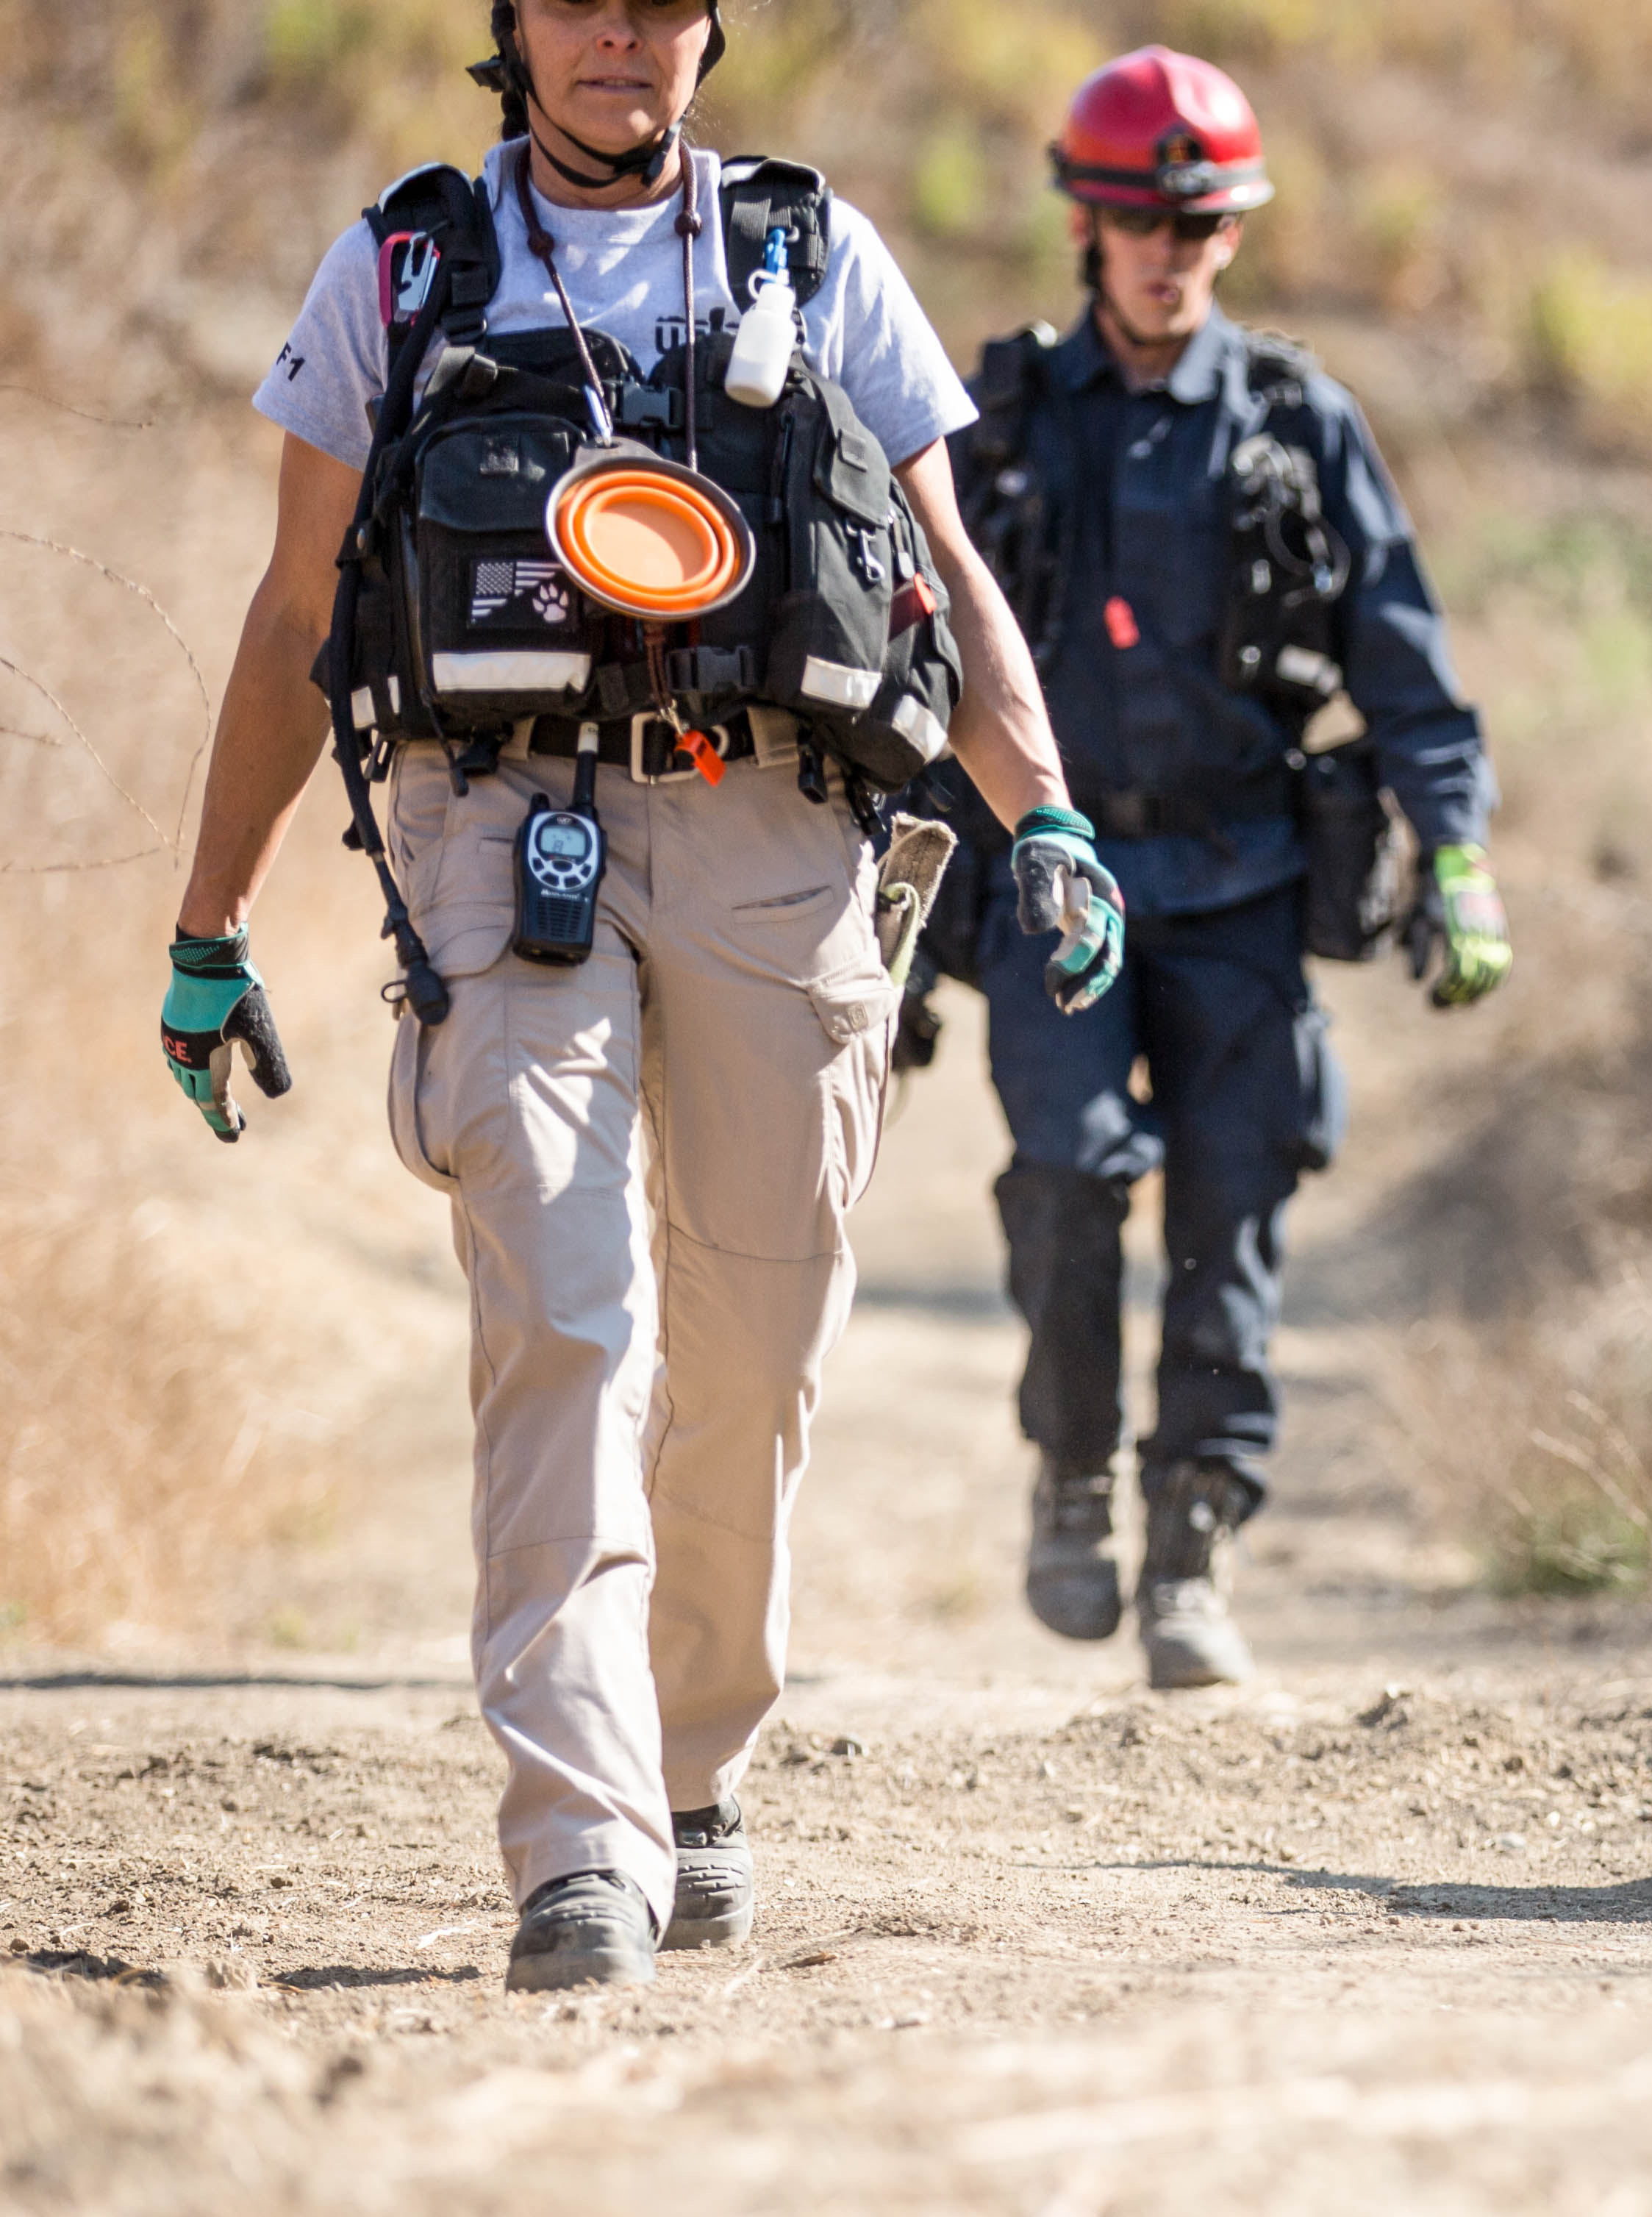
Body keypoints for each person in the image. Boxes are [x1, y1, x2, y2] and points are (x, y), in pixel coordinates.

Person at [161, 0, 1124, 1992]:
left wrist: (1046, 811)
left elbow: (947, 566)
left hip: (777, 835)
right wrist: (208, 923)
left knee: (754, 1353)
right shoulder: (404, 268)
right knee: (566, 1309)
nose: (618, 30)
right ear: (511, 28)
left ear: (708, 31)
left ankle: (692, 1775)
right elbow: (292, 613)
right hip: (497, 835)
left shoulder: (811, 252)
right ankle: (580, 1845)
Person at [919, 46, 1510, 1689]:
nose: (1166, 251)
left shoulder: (1300, 423)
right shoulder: (1001, 422)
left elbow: (1404, 660)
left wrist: (1458, 852)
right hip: (1056, 892)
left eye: (1195, 223)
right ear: (1086, 224)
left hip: (1243, 885)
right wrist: (879, 906)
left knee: (1231, 1210)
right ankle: (1072, 1473)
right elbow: (911, 664)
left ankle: (1192, 1544)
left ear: (1231, 231)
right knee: (1069, 1179)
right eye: (1138, 220)